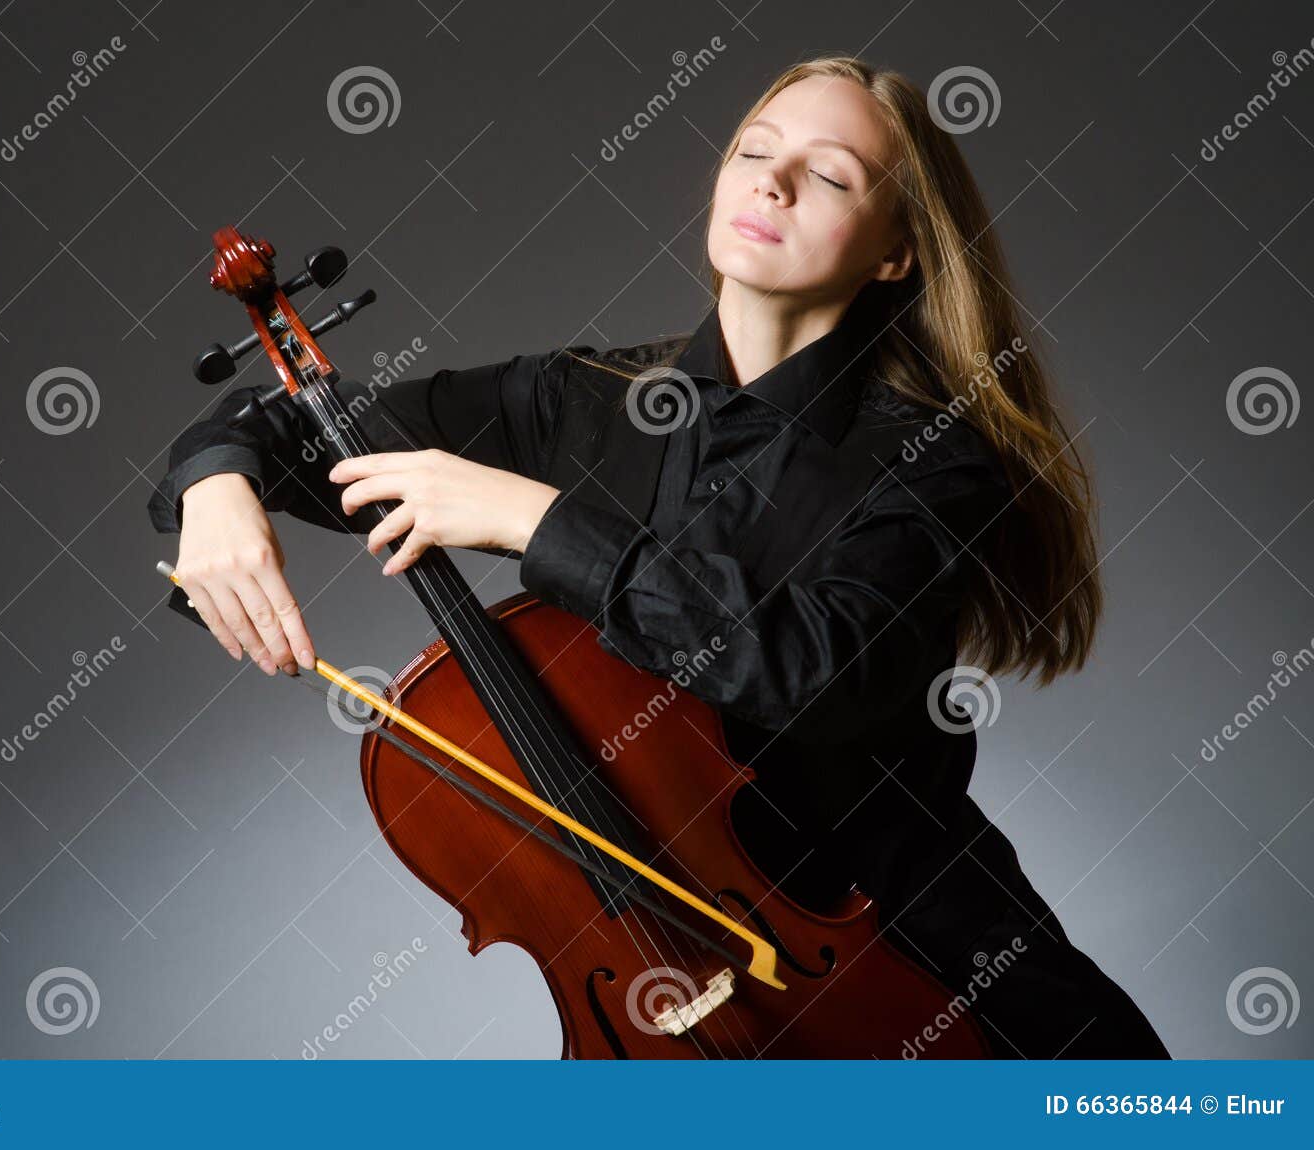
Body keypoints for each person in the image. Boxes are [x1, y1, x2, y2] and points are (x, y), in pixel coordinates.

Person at [147, 55, 1169, 1059]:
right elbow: (286, 428)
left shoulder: (936, 457)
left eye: (827, 175)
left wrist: (539, 522)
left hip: (937, 986)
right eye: (754, 150)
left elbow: (810, 671)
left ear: (895, 251)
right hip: (665, 1020)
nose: (770, 180)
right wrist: (218, 487)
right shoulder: (578, 396)